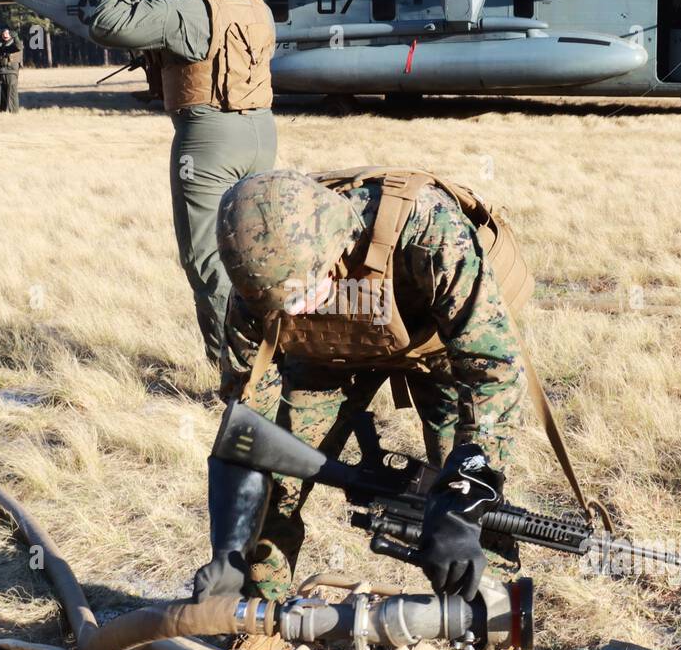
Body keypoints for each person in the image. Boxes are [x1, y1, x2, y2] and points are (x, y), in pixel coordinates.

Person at [192, 168, 532, 604]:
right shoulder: (262, 278)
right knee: (275, 484)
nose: (294, 306)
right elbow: (245, 426)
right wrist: (229, 548)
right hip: (327, 352)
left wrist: (469, 483)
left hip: (436, 345)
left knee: (464, 502)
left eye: (302, 291)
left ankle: (487, 622)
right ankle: (259, 615)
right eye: (283, 302)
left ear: (332, 248)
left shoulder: (429, 228)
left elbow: (492, 367)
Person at [89, 0, 277, 363]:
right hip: (261, 134)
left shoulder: (183, 10)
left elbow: (106, 23)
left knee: (206, 258)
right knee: (259, 252)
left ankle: (235, 373)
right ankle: (277, 357)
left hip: (208, 138)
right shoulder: (257, 7)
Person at [0, 27, 22, 113]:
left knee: (12, 93)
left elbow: (19, 47)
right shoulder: (0, 44)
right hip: (1, 72)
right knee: (1, 93)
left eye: (7, 33)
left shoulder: (15, 43)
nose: (5, 35)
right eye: (3, 33)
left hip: (11, 72)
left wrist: (16, 37)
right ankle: (2, 112)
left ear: (11, 34)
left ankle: (14, 113)